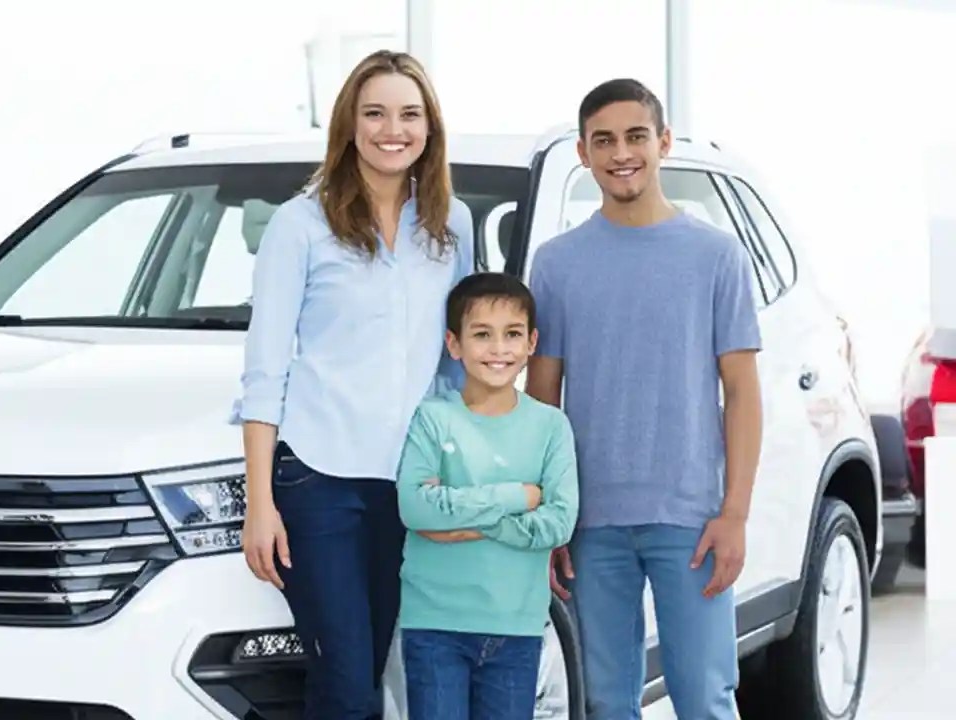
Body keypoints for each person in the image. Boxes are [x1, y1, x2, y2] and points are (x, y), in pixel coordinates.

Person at [233, 49, 474, 720]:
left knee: (369, 669)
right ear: (349, 123)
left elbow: (457, 362)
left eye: (408, 113)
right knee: (343, 682)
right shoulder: (299, 226)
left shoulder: (452, 226)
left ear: (430, 127)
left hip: (411, 484)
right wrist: (260, 503)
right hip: (319, 481)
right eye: (374, 113)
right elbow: (265, 370)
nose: (391, 129)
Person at [525, 78, 763, 719]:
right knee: (606, 702)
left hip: (691, 518)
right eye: (603, 140)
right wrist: (550, 514)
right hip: (589, 521)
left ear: (663, 142)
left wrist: (734, 513)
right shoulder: (556, 263)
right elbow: (542, 399)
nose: (620, 152)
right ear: (583, 152)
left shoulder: (717, 257)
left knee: (706, 696)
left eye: (635, 136)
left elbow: (741, 393)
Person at [394, 272, 579, 720]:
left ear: (532, 342)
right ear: (454, 344)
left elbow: (558, 523)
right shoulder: (432, 419)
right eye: (482, 335)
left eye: (512, 334)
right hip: (434, 624)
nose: (499, 349)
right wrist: (518, 495)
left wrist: (457, 520)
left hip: (515, 626)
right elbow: (413, 507)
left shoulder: (551, 426)